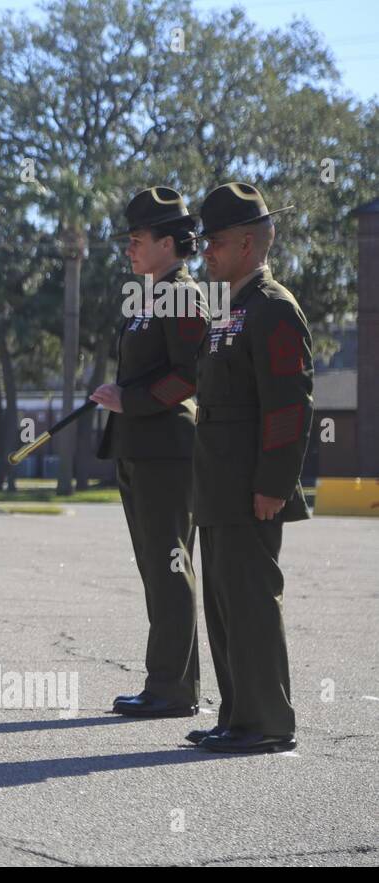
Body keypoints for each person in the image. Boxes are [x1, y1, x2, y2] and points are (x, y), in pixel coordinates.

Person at [188, 182, 312, 754]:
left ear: (247, 243)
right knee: (224, 607)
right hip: (217, 486)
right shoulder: (230, 307)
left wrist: (273, 486)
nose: (205, 252)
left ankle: (266, 723)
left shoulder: (273, 309)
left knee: (252, 605)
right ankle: (237, 716)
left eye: (213, 241)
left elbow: (288, 406)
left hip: (249, 489)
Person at [90, 187, 208, 721]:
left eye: (137, 240)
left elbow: (190, 373)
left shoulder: (182, 294)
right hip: (140, 447)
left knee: (168, 566)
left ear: (167, 242)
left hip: (167, 450)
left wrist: (129, 400)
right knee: (156, 568)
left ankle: (171, 689)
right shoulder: (151, 294)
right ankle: (171, 683)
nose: (129, 249)